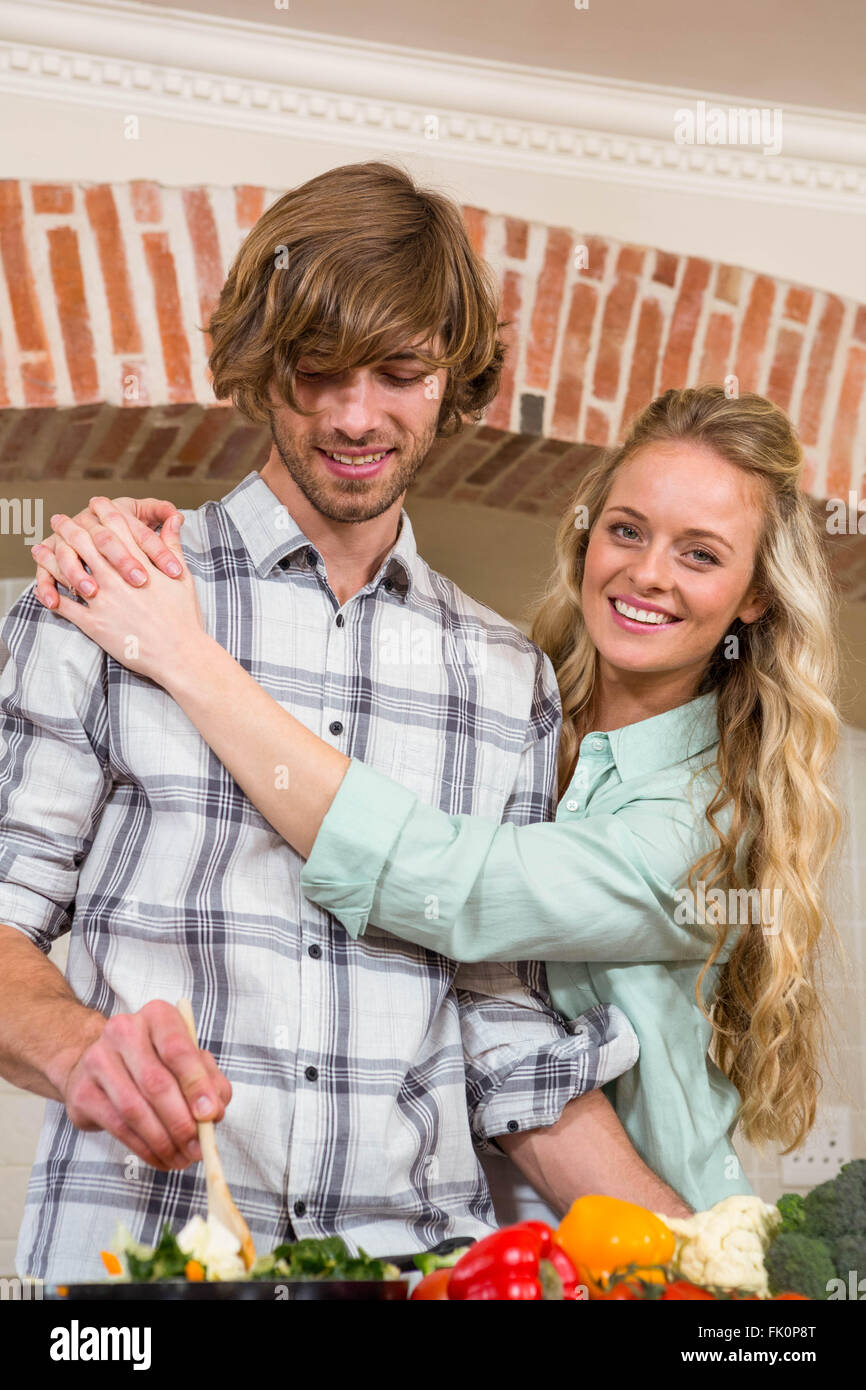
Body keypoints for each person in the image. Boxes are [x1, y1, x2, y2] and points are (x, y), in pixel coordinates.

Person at [1, 161, 687, 1285]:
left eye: (401, 371)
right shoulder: (108, 594)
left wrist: (704, 1262)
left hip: (419, 1267)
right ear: (260, 367)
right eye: (315, 372)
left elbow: (499, 1030)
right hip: (142, 1258)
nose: (355, 415)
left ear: (454, 378)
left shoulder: (503, 677)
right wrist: (79, 1046)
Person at [35, 381, 844, 1214]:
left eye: (701, 554)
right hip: (502, 1239)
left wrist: (182, 651)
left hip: (652, 1225)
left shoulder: (706, 823)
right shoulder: (511, 700)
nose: (647, 573)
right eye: (628, 530)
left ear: (755, 595)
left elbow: (453, 888)